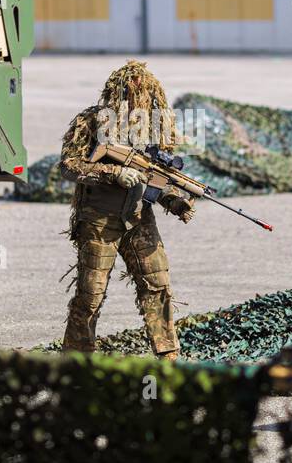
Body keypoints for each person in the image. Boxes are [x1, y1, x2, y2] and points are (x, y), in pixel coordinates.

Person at [59, 61, 195, 361]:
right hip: (98, 220)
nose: (138, 100)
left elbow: (158, 178)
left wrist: (174, 199)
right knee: (90, 295)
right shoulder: (92, 122)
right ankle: (76, 360)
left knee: (158, 286)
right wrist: (112, 173)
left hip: (137, 219)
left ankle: (169, 356)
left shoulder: (154, 129)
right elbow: (69, 165)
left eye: (144, 95)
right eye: (131, 93)